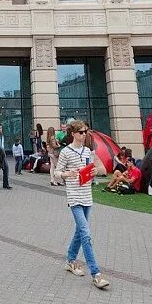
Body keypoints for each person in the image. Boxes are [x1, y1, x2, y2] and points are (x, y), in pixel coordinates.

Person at [55, 120, 110, 290]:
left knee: (80, 231)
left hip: (87, 196)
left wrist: (95, 171)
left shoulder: (88, 151)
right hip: (74, 197)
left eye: (85, 131)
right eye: (80, 132)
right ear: (73, 134)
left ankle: (71, 260)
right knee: (86, 234)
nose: (84, 134)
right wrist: (66, 174)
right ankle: (96, 274)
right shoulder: (65, 152)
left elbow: (103, 170)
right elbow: (57, 173)